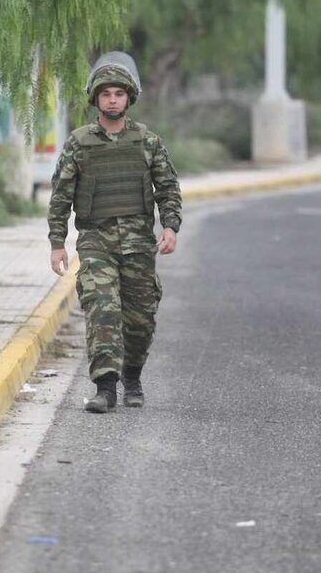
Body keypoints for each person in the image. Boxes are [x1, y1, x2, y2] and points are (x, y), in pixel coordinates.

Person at [47, 52, 182, 413]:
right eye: (105, 93)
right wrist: (57, 243)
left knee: (140, 320)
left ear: (128, 97)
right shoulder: (79, 143)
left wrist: (170, 226)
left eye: (118, 93)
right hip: (96, 242)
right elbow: (61, 196)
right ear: (96, 98)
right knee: (102, 310)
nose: (112, 99)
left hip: (139, 244)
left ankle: (132, 378)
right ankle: (105, 388)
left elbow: (168, 188)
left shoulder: (147, 142)